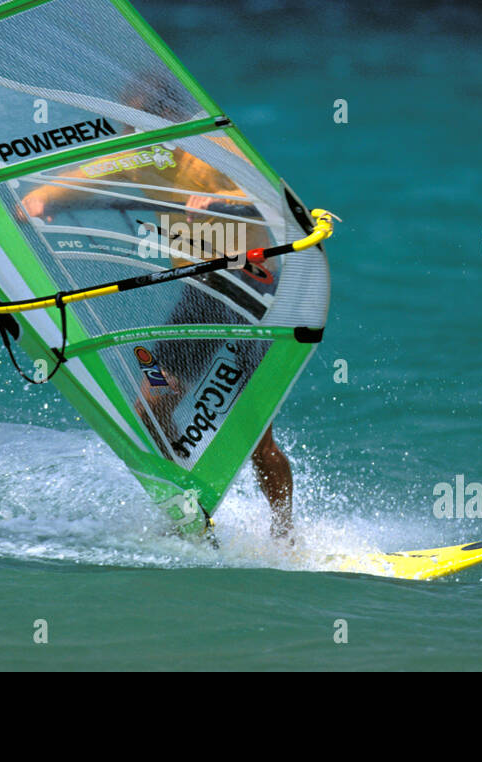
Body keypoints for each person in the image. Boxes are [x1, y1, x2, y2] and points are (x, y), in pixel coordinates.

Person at [20, 136, 294, 539]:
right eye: (126, 127)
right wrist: (42, 196)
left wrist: (225, 200)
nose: (129, 135)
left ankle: (285, 535)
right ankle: (188, 507)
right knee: (151, 406)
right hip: (201, 293)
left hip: (251, 289)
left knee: (257, 436)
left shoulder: (214, 149)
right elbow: (90, 176)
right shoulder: (144, 154)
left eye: (137, 123)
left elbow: (275, 199)